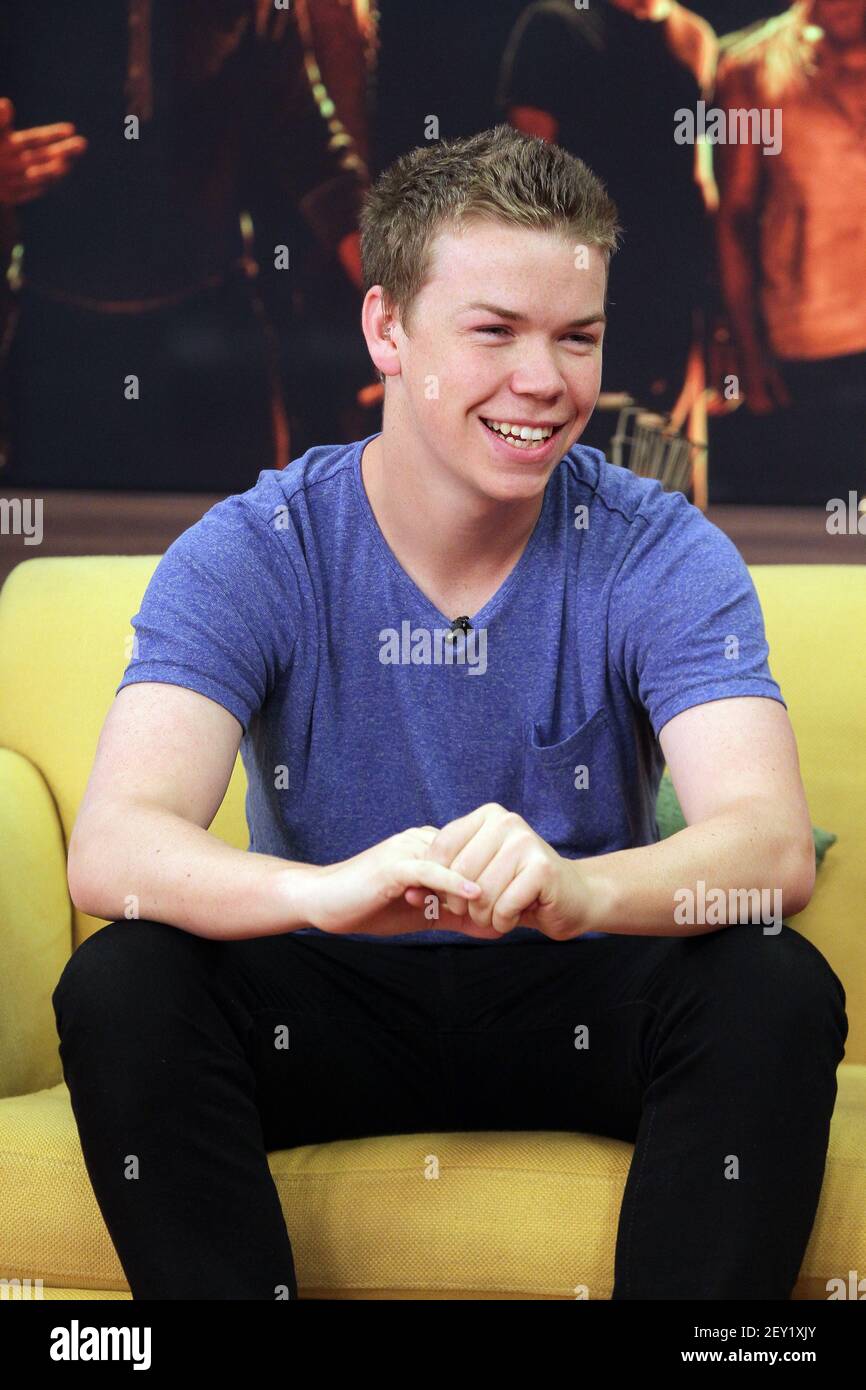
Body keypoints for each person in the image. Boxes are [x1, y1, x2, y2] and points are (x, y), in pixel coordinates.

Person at [54, 126, 847, 1301]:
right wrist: (313, 894)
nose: (543, 381)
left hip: (575, 989)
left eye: (575, 337)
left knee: (770, 981)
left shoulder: (657, 546)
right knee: (123, 980)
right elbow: (115, 845)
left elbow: (768, 846)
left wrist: (584, 892)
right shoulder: (256, 547)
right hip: (324, 997)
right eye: (493, 332)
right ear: (386, 329)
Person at [0, 0, 367, 491]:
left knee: (230, 555)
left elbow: (316, 158)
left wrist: (409, 309)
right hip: (59, 346)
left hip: (211, 341)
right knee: (51, 555)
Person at [499, 0, 717, 448]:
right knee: (575, 454)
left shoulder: (693, 36)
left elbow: (700, 178)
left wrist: (714, 305)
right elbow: (531, 178)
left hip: (669, 293)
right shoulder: (555, 24)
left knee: (661, 462)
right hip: (579, 285)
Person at [714, 0, 866, 503]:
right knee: (816, 550)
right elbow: (731, 219)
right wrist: (747, 352)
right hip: (808, 349)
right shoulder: (752, 69)